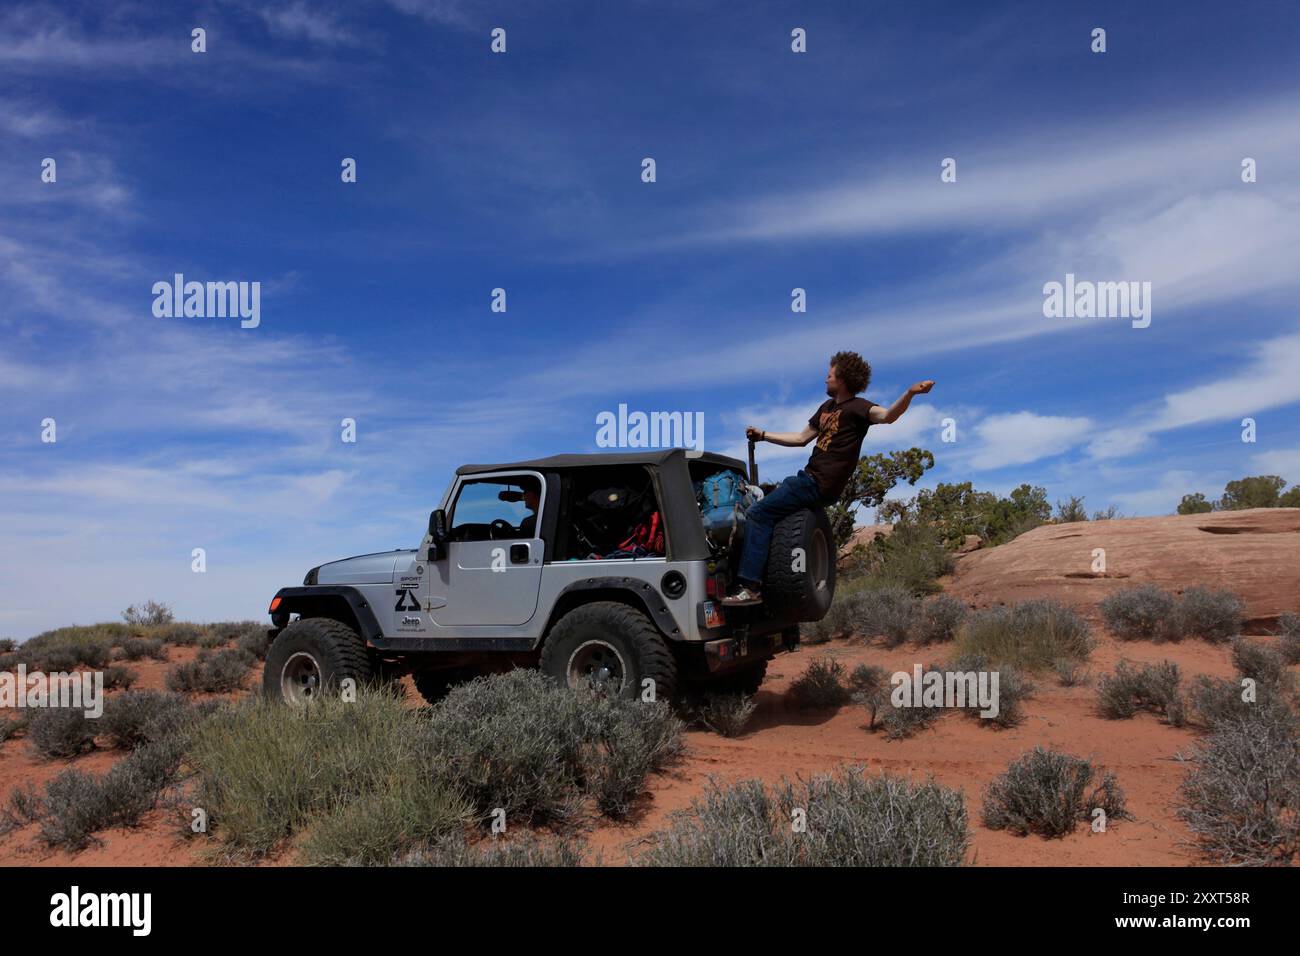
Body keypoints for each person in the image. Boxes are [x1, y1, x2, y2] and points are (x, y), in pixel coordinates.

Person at [721, 351, 934, 606]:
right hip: (808, 478)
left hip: (817, 482)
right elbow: (800, 439)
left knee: (757, 514)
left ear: (842, 379)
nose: (825, 379)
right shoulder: (826, 408)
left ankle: (750, 586)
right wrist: (764, 434)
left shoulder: (859, 407)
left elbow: (888, 416)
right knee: (767, 500)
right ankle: (767, 577)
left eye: (829, 375)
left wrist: (910, 393)